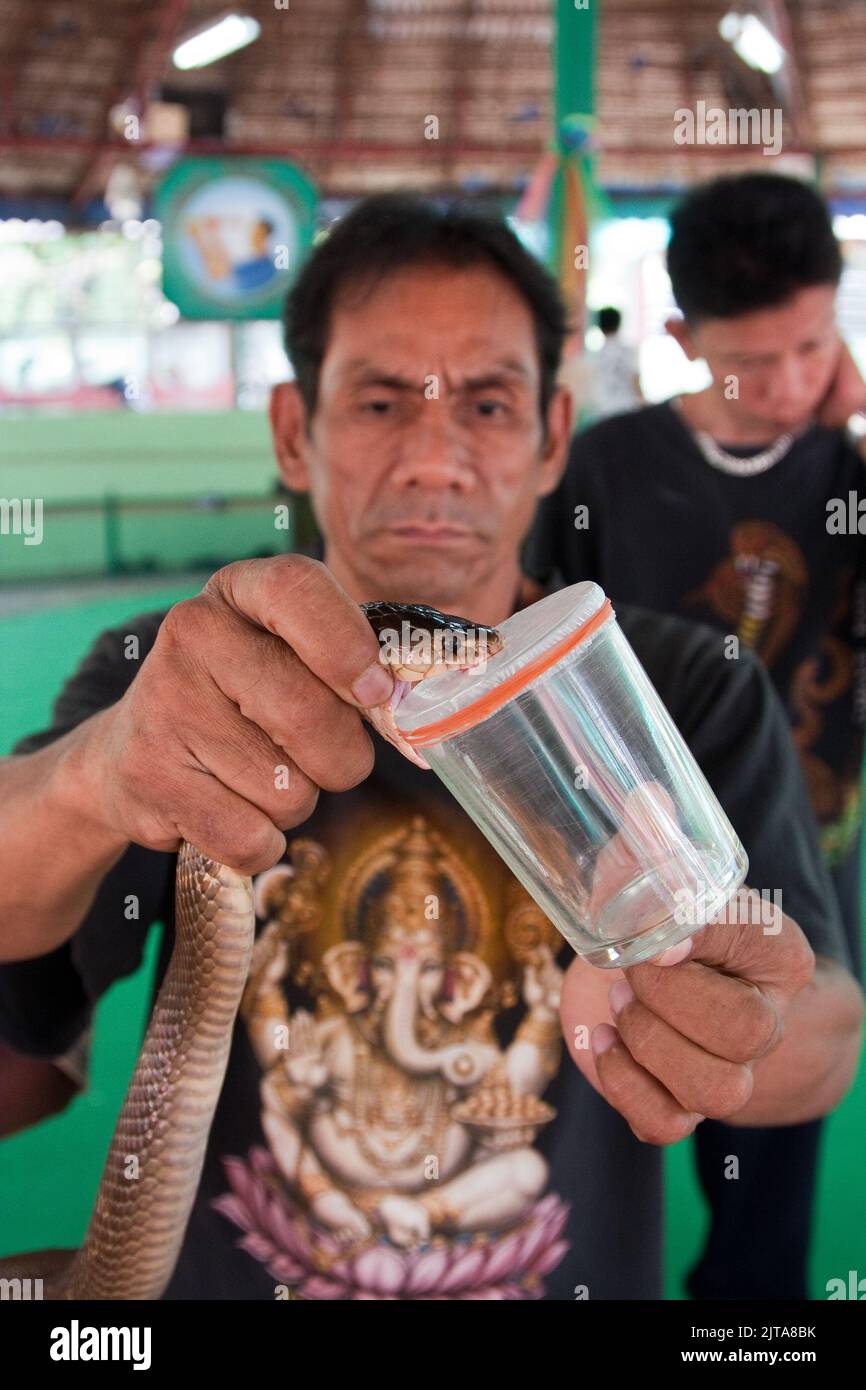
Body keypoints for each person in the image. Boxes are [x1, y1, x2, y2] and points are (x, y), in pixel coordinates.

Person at [0, 195, 861, 1301]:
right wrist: (93, 773)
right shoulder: (165, 676)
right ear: (289, 431)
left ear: (552, 436)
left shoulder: (682, 689)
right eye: (378, 400)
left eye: (488, 404)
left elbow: (822, 1043)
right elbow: (22, 1076)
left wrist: (703, 997)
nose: (435, 460)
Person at [524, 171, 866, 1300]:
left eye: (811, 346)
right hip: (607, 876)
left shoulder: (844, 474)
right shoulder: (602, 474)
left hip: (798, 866)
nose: (786, 385)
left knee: (762, 1152)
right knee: (574, 1139)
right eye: (750, 361)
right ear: (679, 336)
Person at [589, 306, 644, 420]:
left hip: (603, 412)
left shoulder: (594, 356)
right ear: (619, 324)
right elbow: (635, 380)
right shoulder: (629, 350)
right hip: (628, 409)